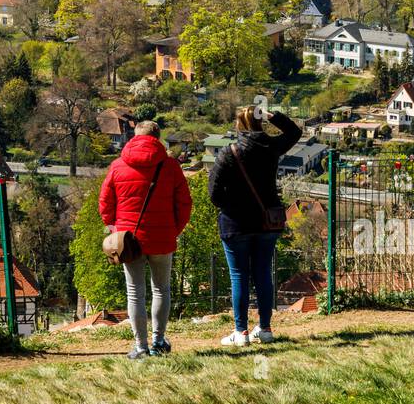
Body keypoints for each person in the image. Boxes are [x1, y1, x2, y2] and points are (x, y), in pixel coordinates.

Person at [208, 107, 302, 345]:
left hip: (236, 224)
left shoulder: (228, 153)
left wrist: (234, 207)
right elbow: (294, 132)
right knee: (263, 275)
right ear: (260, 123)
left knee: (239, 275)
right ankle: (266, 329)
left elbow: (214, 194)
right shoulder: (271, 147)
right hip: (267, 222)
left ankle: (241, 333)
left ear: (239, 125)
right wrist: (273, 116)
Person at [99, 120, 192, 359]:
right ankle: (159, 340)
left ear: (134, 137)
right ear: (158, 138)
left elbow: (105, 203)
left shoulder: (118, 166)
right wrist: (174, 230)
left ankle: (140, 346)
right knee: (161, 289)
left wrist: (114, 229)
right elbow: (184, 203)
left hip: (129, 240)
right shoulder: (171, 166)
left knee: (134, 292)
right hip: (162, 237)